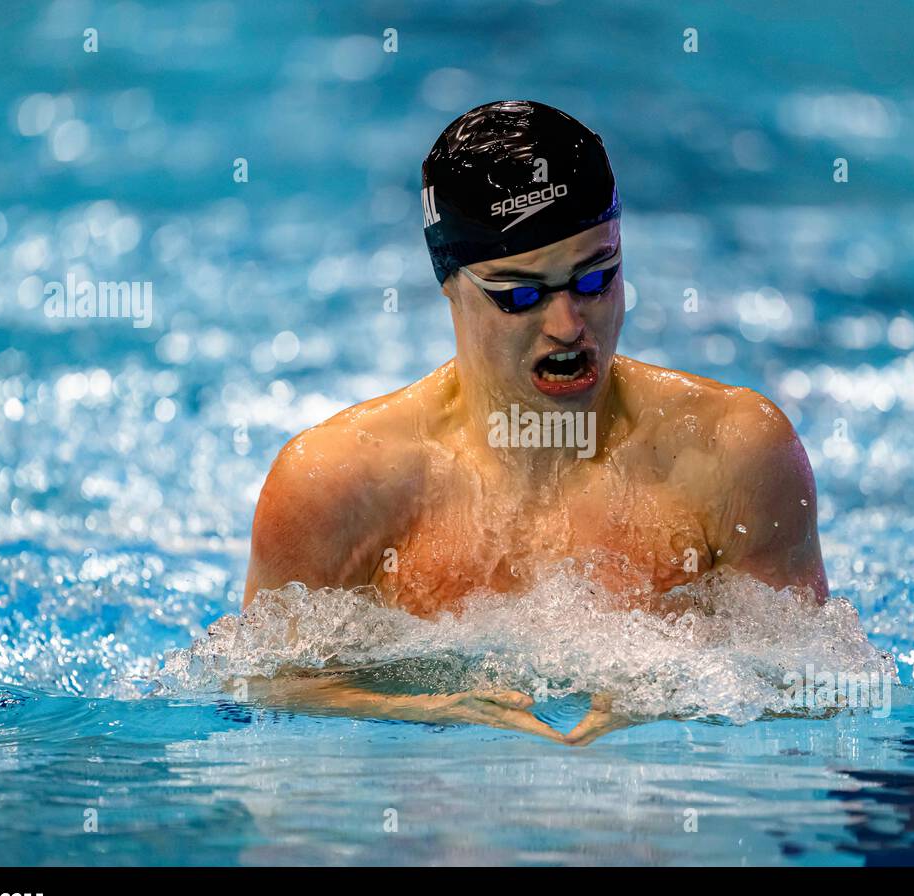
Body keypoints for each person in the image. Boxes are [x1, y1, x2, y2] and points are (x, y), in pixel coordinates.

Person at [242, 100, 827, 743]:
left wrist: (671, 708)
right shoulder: (338, 483)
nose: (568, 326)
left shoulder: (733, 452)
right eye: (521, 295)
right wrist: (434, 715)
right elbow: (260, 698)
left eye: (596, 279)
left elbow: (822, 693)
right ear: (448, 280)